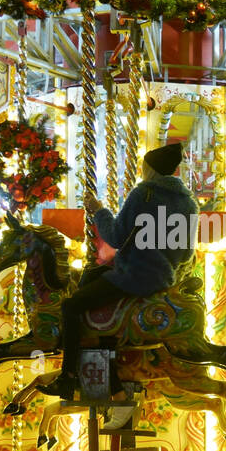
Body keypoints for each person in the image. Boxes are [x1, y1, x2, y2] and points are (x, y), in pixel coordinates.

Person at [43, 141, 197, 409]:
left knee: (71, 305)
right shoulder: (189, 204)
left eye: (144, 166)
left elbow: (115, 237)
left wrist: (98, 210)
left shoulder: (145, 194)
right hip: (163, 278)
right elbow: (185, 255)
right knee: (91, 276)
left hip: (134, 276)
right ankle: (109, 375)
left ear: (151, 170)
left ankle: (67, 376)